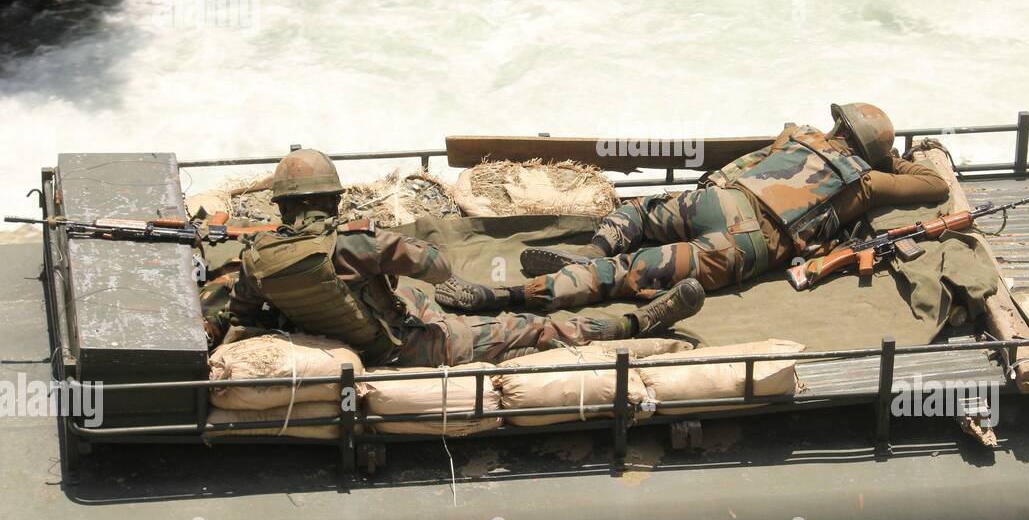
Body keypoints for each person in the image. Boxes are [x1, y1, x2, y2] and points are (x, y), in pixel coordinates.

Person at [436, 103, 950, 315]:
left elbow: (771, 148)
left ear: (838, 126)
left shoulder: (799, 134)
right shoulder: (867, 182)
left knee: (635, 214)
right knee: (632, 274)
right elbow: (932, 187)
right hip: (748, 240)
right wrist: (894, 163)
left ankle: (584, 250)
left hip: (716, 200)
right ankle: (496, 296)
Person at [219, 149, 704, 367]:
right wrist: (382, 251)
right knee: (528, 329)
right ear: (331, 200)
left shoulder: (255, 258)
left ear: (282, 205)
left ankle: (480, 302)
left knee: (420, 296)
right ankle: (637, 325)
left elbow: (239, 313)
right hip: (406, 349)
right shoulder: (356, 243)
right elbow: (437, 265)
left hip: (359, 333)